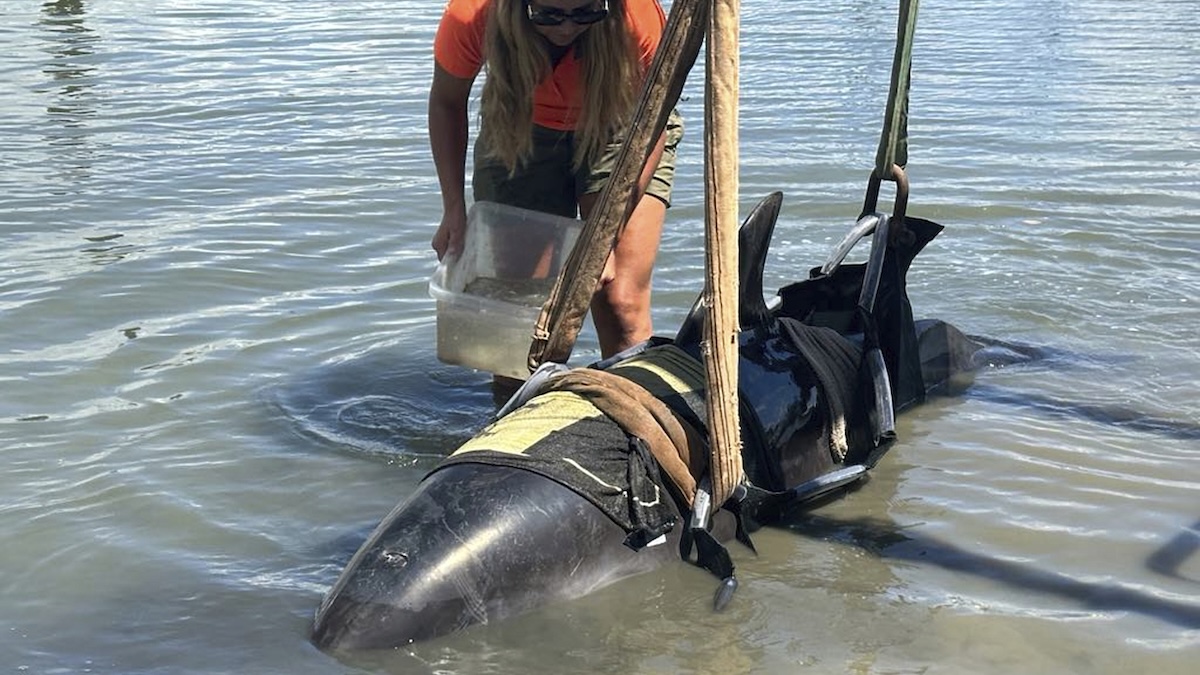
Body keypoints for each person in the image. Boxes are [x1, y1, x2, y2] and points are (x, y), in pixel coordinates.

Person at [429, 0, 683, 361]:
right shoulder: (472, 13)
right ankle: (517, 406)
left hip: (623, 123)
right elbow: (446, 102)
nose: (566, 28)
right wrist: (453, 208)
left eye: (585, 13)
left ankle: (626, 400)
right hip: (519, 126)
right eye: (548, 15)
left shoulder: (637, 16)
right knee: (518, 313)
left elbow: (654, 118)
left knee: (620, 302)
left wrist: (604, 235)